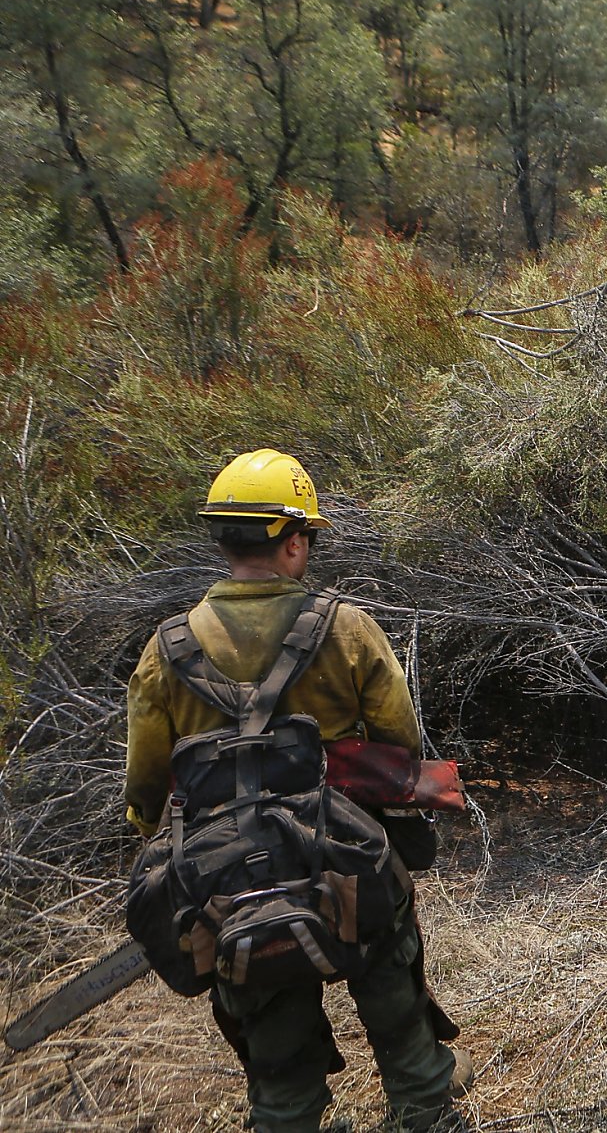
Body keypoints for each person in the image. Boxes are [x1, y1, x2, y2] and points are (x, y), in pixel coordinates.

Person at [123, 449, 469, 1133]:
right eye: (306, 535)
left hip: (233, 876)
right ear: (292, 541)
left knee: (266, 998)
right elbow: (399, 740)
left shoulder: (165, 649)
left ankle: (287, 1114)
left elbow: (144, 786)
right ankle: (424, 1100)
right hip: (341, 853)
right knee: (385, 956)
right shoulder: (344, 626)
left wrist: (173, 843)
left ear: (224, 540)